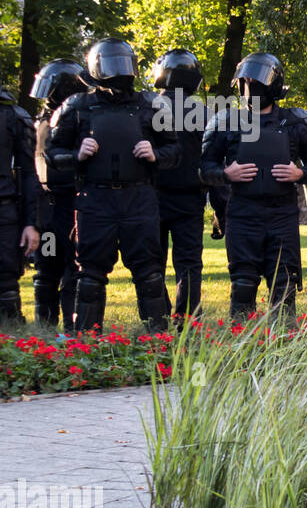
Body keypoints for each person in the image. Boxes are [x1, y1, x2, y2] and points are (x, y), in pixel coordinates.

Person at [45, 38, 180, 332]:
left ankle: (158, 339)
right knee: (90, 274)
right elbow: (52, 154)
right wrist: (77, 155)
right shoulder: (76, 106)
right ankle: (85, 341)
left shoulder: (151, 105)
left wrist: (155, 154)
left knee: (149, 272)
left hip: (139, 197)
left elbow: (174, 151)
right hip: (95, 199)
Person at [200, 52, 307, 320]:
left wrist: (299, 172)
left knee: (284, 283)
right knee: (243, 283)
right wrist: (226, 173)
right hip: (243, 213)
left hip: (282, 214)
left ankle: (284, 344)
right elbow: (204, 168)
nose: (248, 88)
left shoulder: (296, 122)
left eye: (252, 82)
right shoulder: (225, 122)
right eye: (244, 83)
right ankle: (241, 343)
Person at [150, 49, 209, 320]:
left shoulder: (146, 108)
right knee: (189, 264)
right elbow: (212, 161)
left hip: (151, 197)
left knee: (153, 262)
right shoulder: (206, 114)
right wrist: (220, 207)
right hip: (190, 198)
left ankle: (157, 315)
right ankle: (186, 319)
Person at [28, 59, 86, 328]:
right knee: (47, 267)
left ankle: (73, 329)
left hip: (71, 206)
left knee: (73, 269)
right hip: (47, 210)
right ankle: (45, 326)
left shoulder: (79, 122)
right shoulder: (40, 120)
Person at [0, 86, 39, 322]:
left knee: (6, 282)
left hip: (5, 210)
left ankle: (13, 342)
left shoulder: (12, 116)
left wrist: (31, 223)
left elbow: (28, 174)